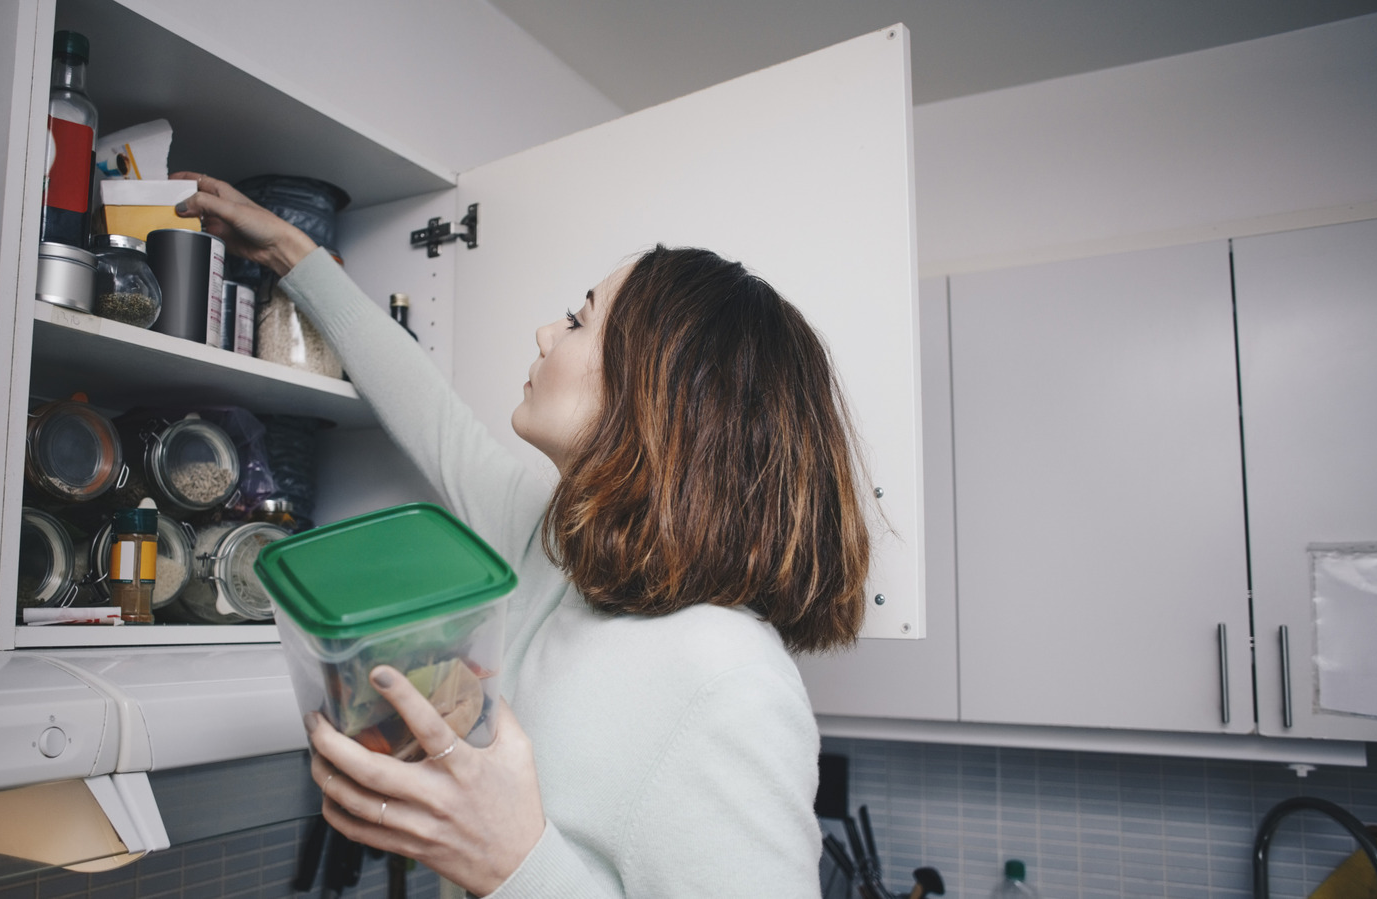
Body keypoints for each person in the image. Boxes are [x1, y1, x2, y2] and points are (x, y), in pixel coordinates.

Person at [175, 172, 872, 898]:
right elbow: (430, 412)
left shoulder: (731, 679)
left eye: (577, 320)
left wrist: (512, 863)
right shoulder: (553, 543)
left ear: (657, 388)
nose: (546, 332)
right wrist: (295, 253)